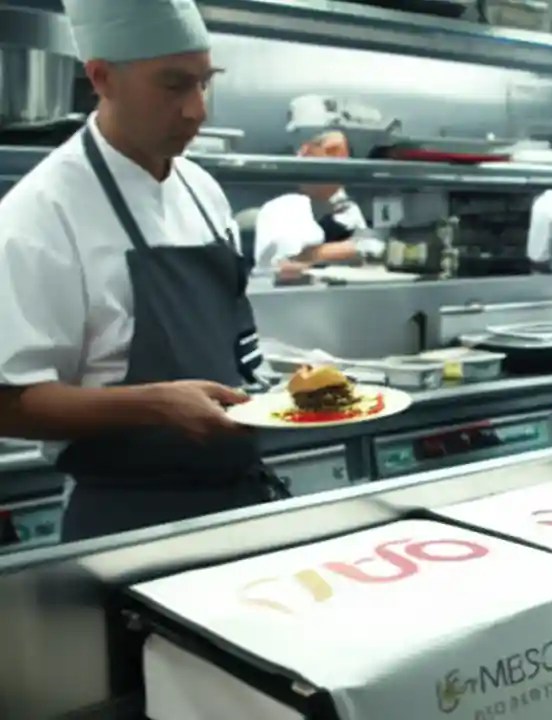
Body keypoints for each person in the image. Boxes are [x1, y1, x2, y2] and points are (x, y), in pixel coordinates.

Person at [0, 0, 287, 542]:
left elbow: (231, 341)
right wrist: (155, 405)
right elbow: (8, 404)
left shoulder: (202, 191)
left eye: (206, 82)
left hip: (238, 505)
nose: (197, 110)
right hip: (127, 524)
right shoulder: (40, 213)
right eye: (174, 85)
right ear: (102, 77)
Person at [253, 130, 374, 277]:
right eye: (331, 152)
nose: (339, 161)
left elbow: (368, 252)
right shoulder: (280, 208)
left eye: (344, 156)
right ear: (306, 152)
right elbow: (287, 264)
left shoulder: (349, 209)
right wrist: (348, 249)